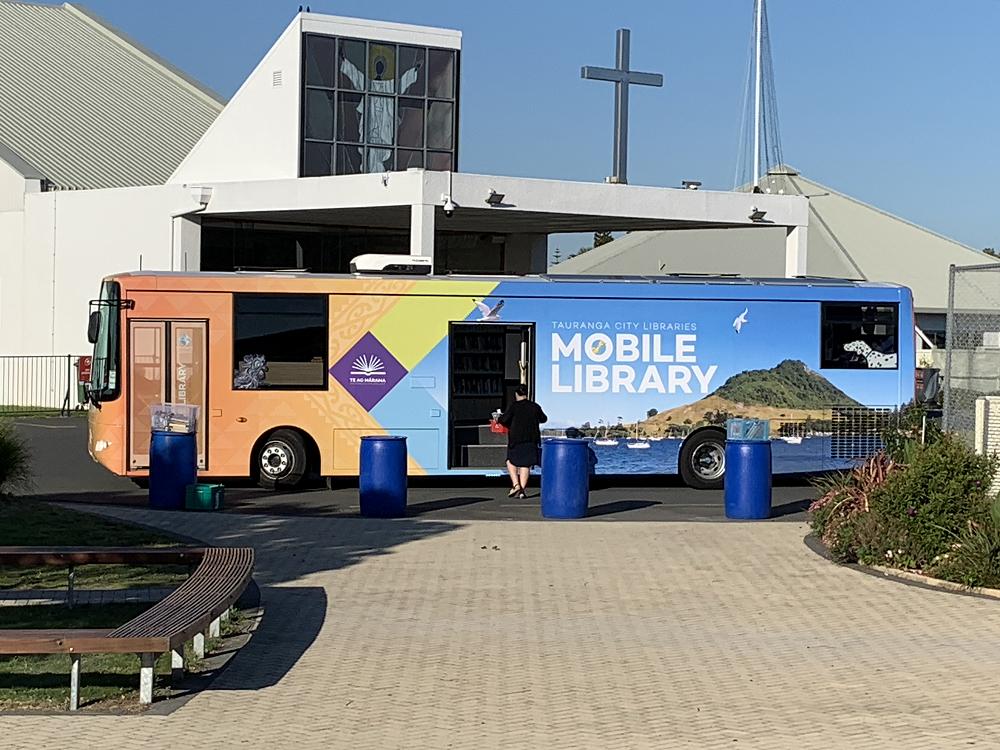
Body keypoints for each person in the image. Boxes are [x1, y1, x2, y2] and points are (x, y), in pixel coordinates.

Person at [497, 385, 547, 499]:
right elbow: (544, 419)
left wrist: (498, 419)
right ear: (526, 394)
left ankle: (516, 485)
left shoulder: (514, 407)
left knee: (510, 461)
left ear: (516, 395)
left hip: (516, 439)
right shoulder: (534, 406)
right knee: (525, 465)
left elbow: (504, 420)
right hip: (531, 439)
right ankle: (522, 491)